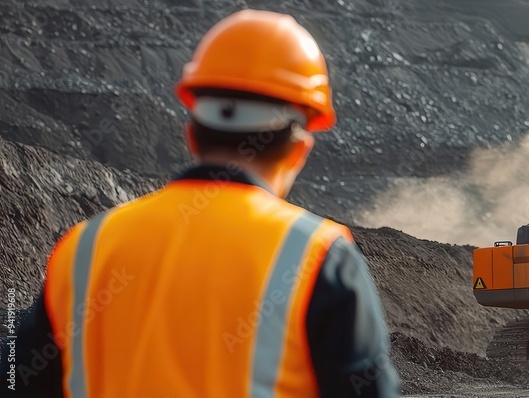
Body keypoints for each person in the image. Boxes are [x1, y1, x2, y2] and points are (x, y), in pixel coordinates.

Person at [7, 10, 399, 397]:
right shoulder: (319, 256)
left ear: (192, 134)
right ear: (299, 148)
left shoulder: (84, 248)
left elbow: (18, 378)